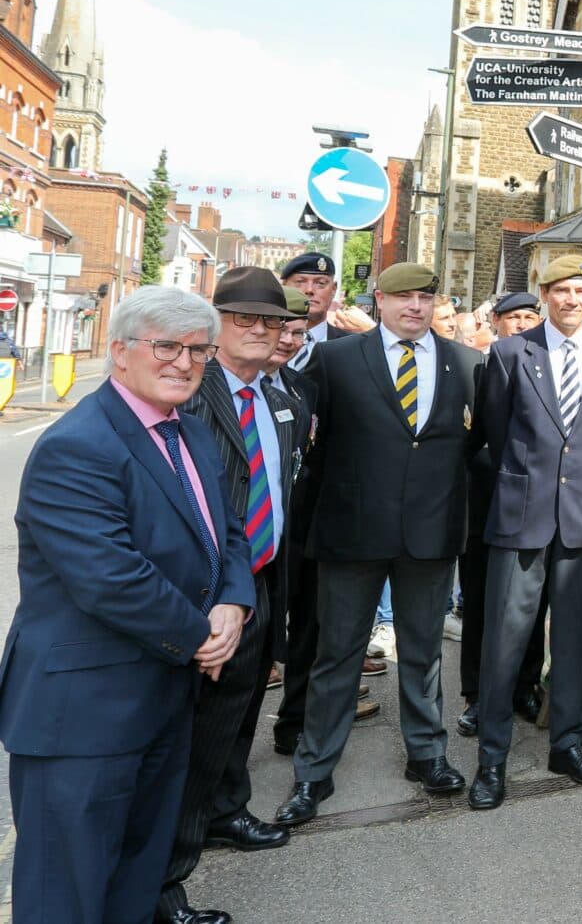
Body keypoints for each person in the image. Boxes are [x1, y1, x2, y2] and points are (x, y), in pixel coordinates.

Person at [0, 288, 254, 924]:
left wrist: (234, 602)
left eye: (197, 350)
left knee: (136, 880)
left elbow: (227, 533)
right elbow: (108, 577)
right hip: (84, 714)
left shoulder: (190, 433)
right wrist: (201, 634)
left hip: (163, 698)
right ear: (118, 352)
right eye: (165, 346)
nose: (183, 362)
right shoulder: (77, 445)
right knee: (66, 893)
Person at [275, 263, 482, 827]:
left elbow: (474, 445)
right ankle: (314, 770)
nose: (415, 306)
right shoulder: (337, 358)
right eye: (403, 297)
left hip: (430, 535)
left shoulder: (465, 363)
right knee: (337, 655)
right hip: (352, 532)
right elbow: (306, 439)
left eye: (425, 296)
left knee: (422, 654)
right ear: (380, 301)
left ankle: (427, 755)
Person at [157, 269, 308, 924]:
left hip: (263, 579)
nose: (258, 329)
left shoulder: (281, 398)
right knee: (188, 738)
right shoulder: (188, 394)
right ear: (214, 325)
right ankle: (165, 883)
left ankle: (224, 810)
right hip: (202, 595)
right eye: (243, 318)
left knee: (239, 714)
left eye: (270, 322)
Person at [467, 255, 582, 807]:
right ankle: (491, 761)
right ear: (543, 294)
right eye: (560, 290)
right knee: (505, 644)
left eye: (579, 289)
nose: (570, 299)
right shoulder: (512, 352)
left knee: (575, 640)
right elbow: (494, 428)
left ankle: (568, 743)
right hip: (522, 518)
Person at [273, 292, 382, 758]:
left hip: (310, 519)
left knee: (309, 632)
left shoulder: (312, 374)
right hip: (257, 530)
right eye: (283, 330)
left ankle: (295, 723)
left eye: (298, 332)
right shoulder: (230, 382)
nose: (289, 340)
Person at [457, 290, 547, 742]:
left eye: (531, 316)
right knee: (480, 602)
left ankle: (525, 686)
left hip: (533, 506)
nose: (522, 324)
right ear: (496, 322)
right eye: (514, 317)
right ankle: (476, 695)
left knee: (530, 604)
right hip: (486, 499)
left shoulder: (549, 366)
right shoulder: (477, 367)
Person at [281, 251, 354, 374]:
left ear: (333, 289)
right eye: (300, 282)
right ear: (284, 286)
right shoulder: (265, 340)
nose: (309, 290)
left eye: (320, 283)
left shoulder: (351, 347)